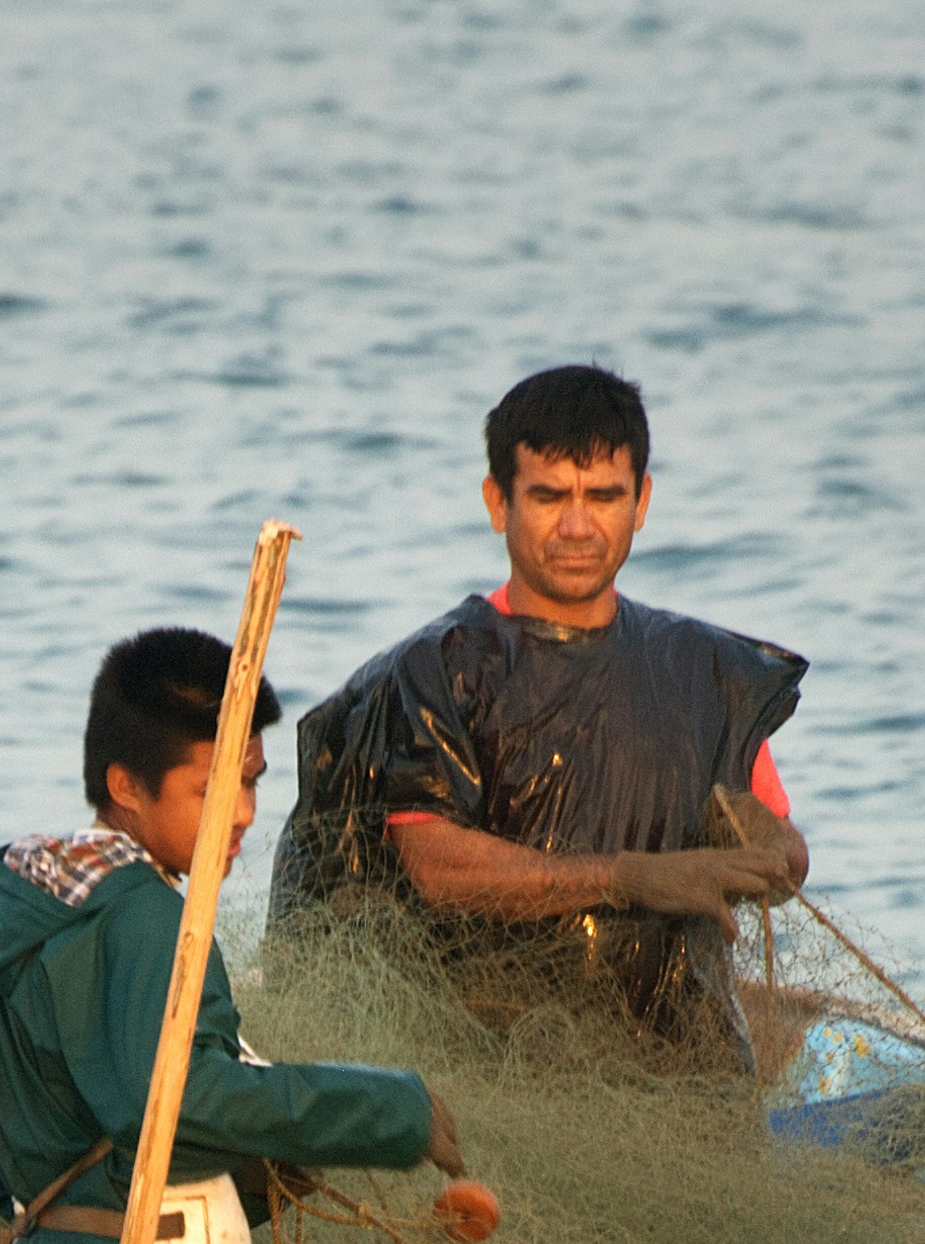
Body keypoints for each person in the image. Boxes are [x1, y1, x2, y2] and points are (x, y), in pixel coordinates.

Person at [0, 629, 460, 1244]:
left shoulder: (20, 914)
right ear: (126, 785)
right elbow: (179, 1105)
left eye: (251, 780)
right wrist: (394, 1111)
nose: (244, 813)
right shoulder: (150, 918)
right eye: (213, 787)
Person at [269, 363, 810, 1058]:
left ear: (641, 502)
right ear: (499, 504)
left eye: (604, 496)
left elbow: (778, 843)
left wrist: (773, 856)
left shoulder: (703, 669)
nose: (578, 526)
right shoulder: (435, 670)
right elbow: (436, 866)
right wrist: (626, 879)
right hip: (488, 1061)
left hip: (683, 1062)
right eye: (549, 497)